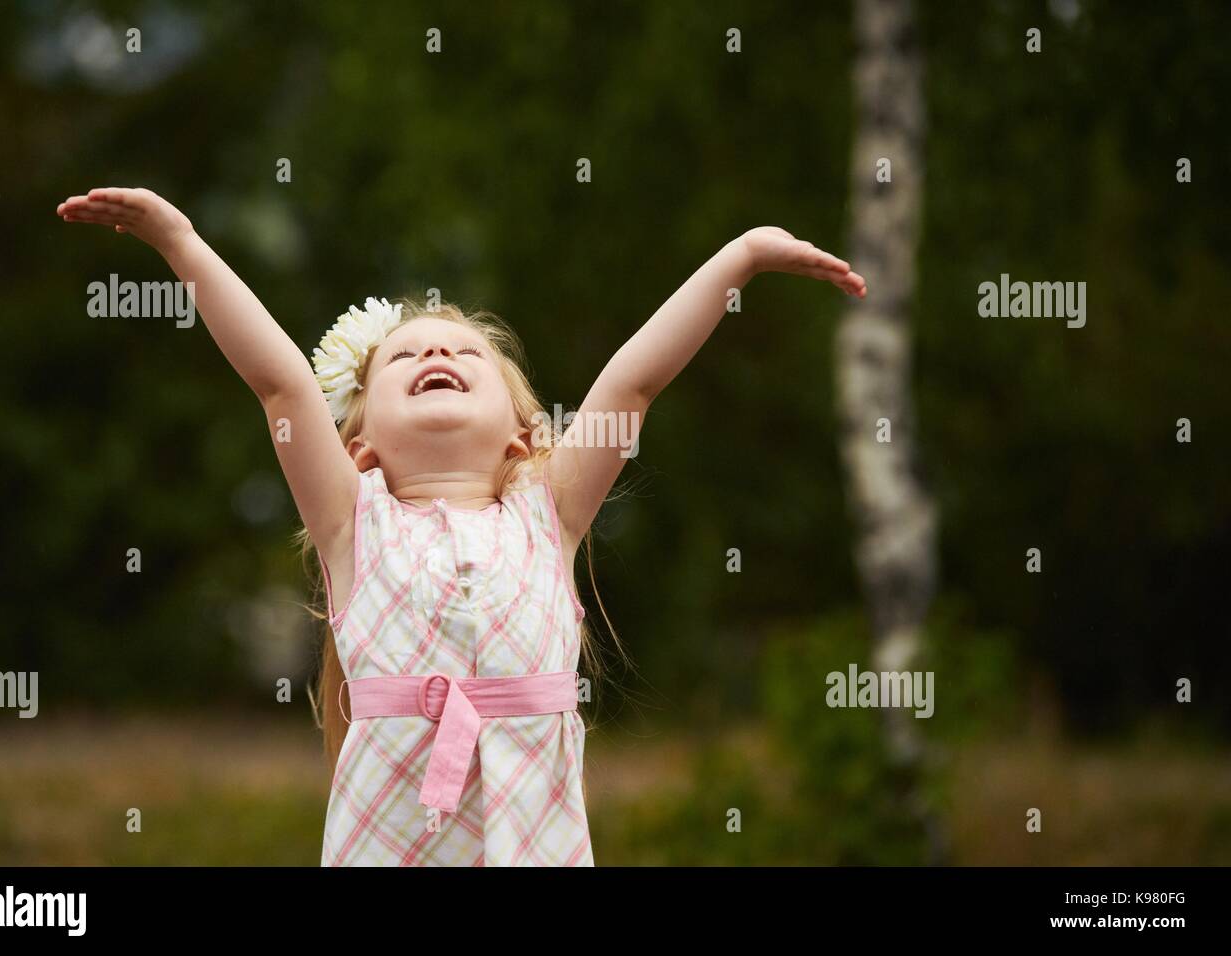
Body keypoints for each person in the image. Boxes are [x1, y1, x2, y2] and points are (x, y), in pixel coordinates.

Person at [56, 186, 866, 865]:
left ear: (521, 431)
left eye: (463, 353)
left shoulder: (551, 516)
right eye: (403, 358)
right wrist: (182, 243)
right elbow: (279, 385)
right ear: (360, 438)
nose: (435, 352)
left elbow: (633, 386)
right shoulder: (352, 524)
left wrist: (742, 257)